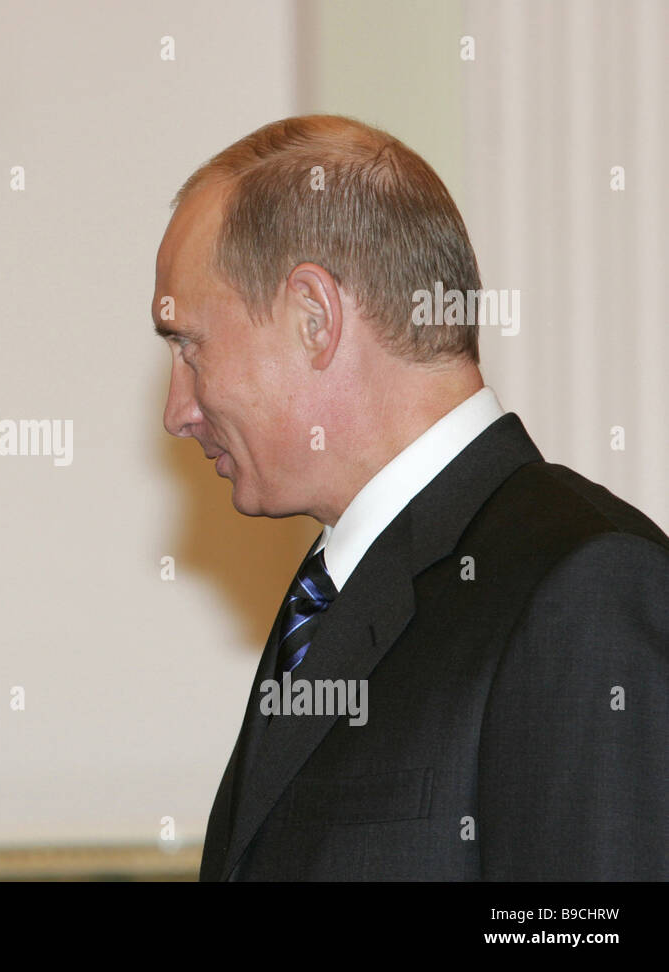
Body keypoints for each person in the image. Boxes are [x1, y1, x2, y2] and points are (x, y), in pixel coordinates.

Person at [153, 114, 669, 880]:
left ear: (313, 318)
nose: (178, 411)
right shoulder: (329, 596)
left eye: (190, 345)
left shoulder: (583, 588)